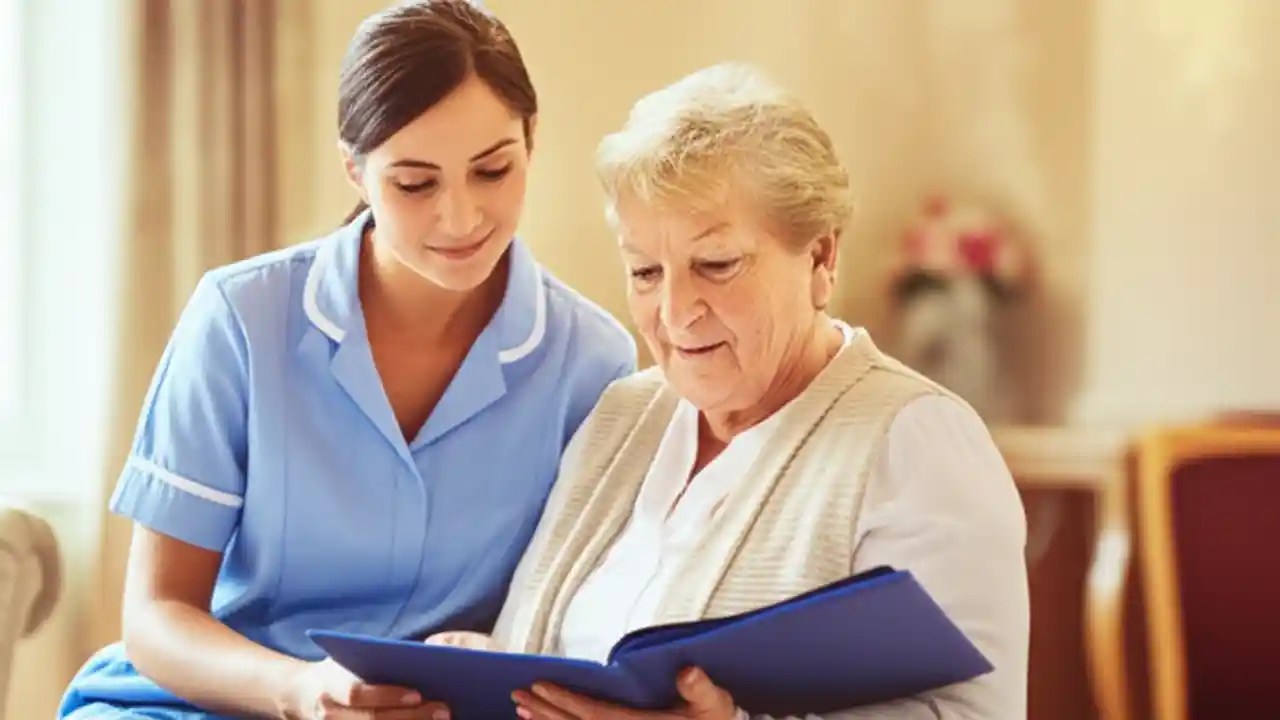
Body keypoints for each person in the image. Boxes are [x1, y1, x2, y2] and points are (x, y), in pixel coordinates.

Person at [59, 2, 635, 718]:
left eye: (492, 170)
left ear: (531, 141)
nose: (460, 217)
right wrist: (298, 691)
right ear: (355, 170)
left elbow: (586, 616)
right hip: (218, 700)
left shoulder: (595, 362)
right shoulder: (241, 319)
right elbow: (156, 614)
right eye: (415, 183)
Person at [430, 63, 1029, 719]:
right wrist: (474, 667)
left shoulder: (914, 440)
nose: (676, 310)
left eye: (716, 265)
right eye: (646, 271)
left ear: (822, 258)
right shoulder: (621, 416)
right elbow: (554, 658)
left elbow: (975, 713)